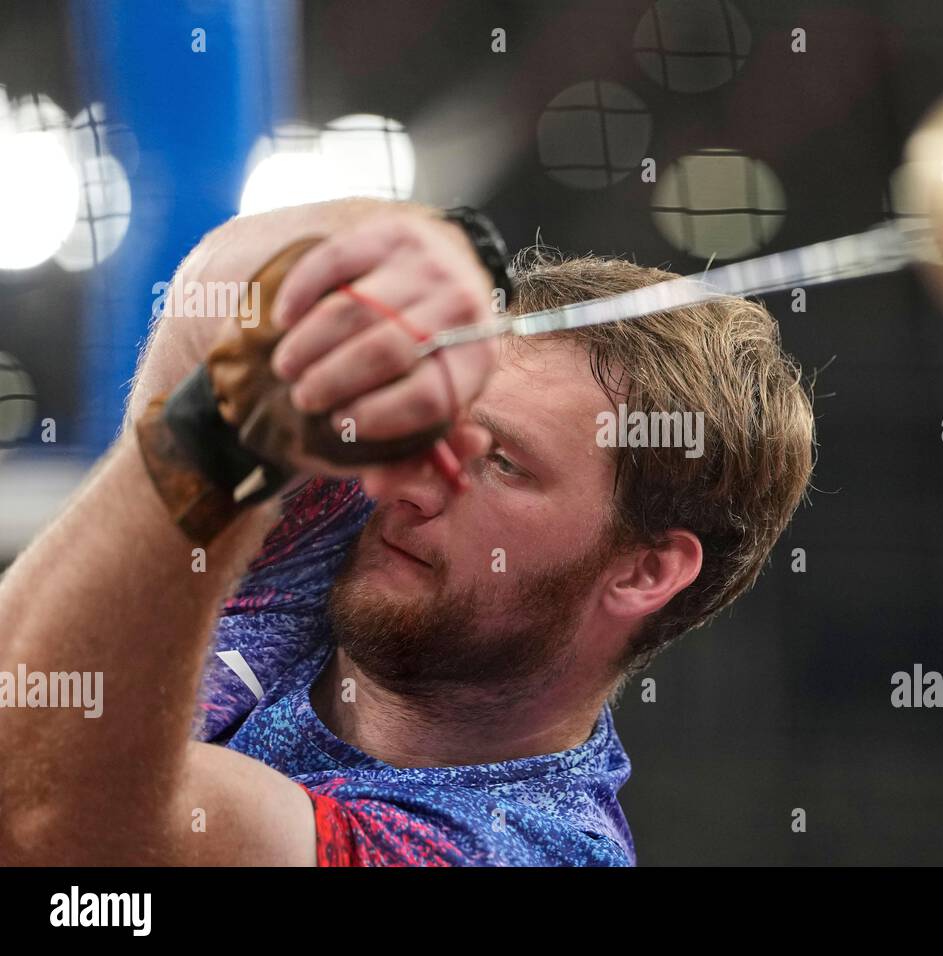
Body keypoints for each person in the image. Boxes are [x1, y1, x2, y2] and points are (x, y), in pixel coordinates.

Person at [0, 198, 814, 866]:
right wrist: (406, 248)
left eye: (501, 463)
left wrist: (220, 432)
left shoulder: (514, 848)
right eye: (441, 423)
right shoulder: (374, 517)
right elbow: (218, 295)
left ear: (646, 572)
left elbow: (63, 821)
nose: (416, 479)